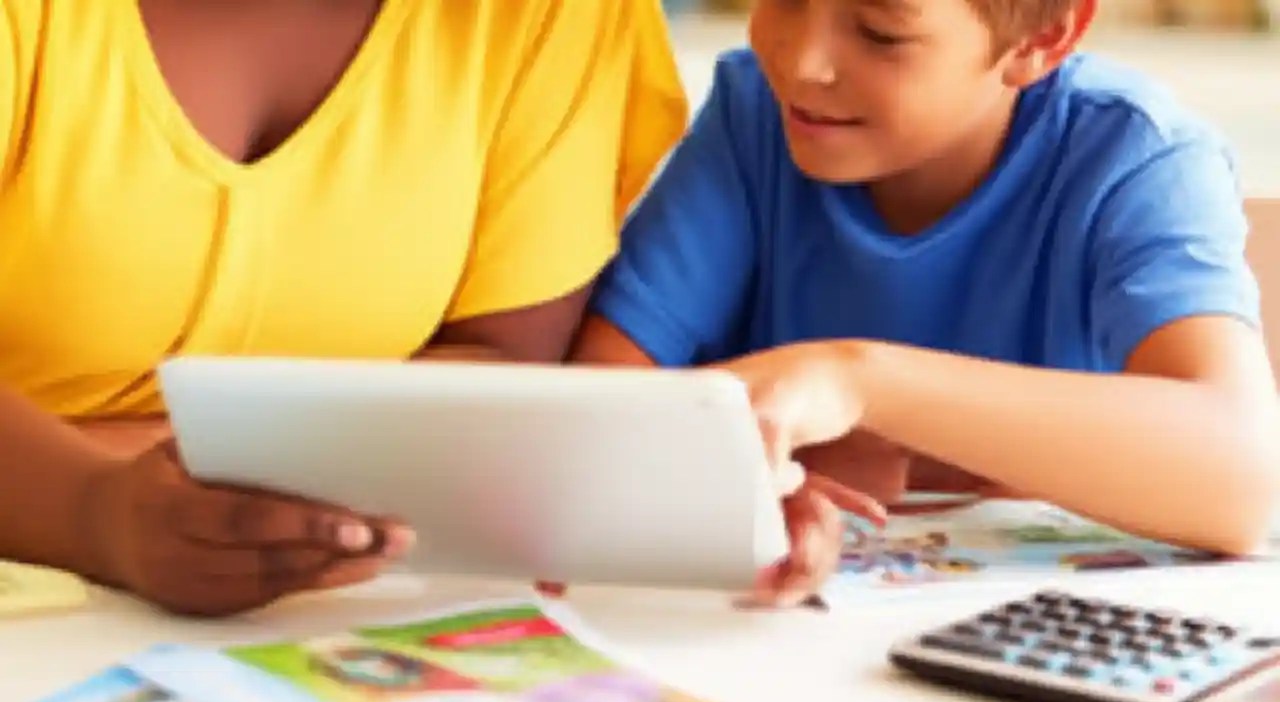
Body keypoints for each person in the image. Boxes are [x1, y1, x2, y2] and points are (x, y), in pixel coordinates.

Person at [573, 0, 1280, 608]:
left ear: (1044, 38)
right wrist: (739, 488)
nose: (803, 62)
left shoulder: (1135, 156)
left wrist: (858, 382)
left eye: (881, 31)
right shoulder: (752, 118)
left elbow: (1242, 481)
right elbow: (586, 409)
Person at [0, 0, 687, 616]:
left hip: (325, 603)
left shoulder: (557, 15)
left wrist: (112, 468)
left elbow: (499, 380)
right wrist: (94, 513)